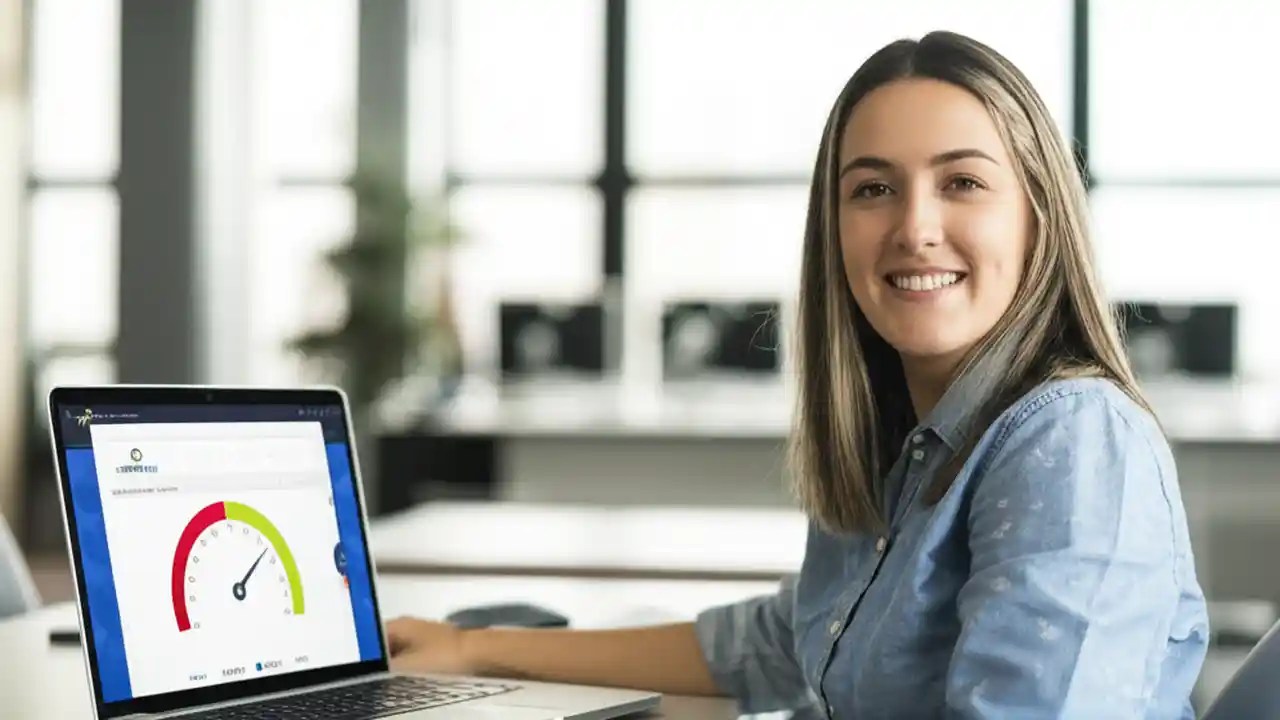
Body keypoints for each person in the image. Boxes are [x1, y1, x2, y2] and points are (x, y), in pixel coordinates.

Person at [386, 30, 1209, 718]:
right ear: (834, 227)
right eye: (874, 189)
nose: (915, 227)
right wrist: (476, 648)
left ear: (1039, 215)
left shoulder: (1071, 440)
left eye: (962, 183)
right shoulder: (904, 435)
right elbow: (791, 638)